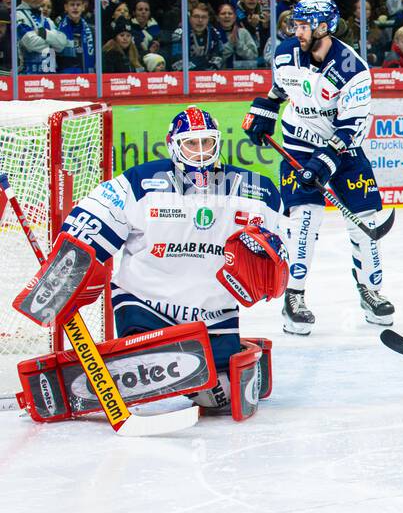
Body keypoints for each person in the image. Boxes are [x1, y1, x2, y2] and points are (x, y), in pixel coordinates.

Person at [13, 107, 288, 422]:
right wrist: (72, 260)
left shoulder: (256, 191)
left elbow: (281, 248)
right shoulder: (142, 182)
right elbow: (93, 214)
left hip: (214, 314)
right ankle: (157, 369)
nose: (200, 152)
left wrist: (273, 263)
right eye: (191, 144)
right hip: (145, 305)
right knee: (162, 372)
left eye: (206, 143)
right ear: (174, 145)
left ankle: (225, 363)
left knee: (220, 401)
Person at [242, 0, 395, 335]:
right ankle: (293, 297)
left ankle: (370, 290)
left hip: (345, 152)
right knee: (305, 220)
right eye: (295, 24)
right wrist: (263, 113)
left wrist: (324, 163)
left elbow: (350, 128)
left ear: (323, 27)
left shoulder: (352, 70)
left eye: (303, 25)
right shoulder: (285, 53)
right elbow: (279, 92)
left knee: (364, 222)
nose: (296, 30)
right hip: (298, 146)